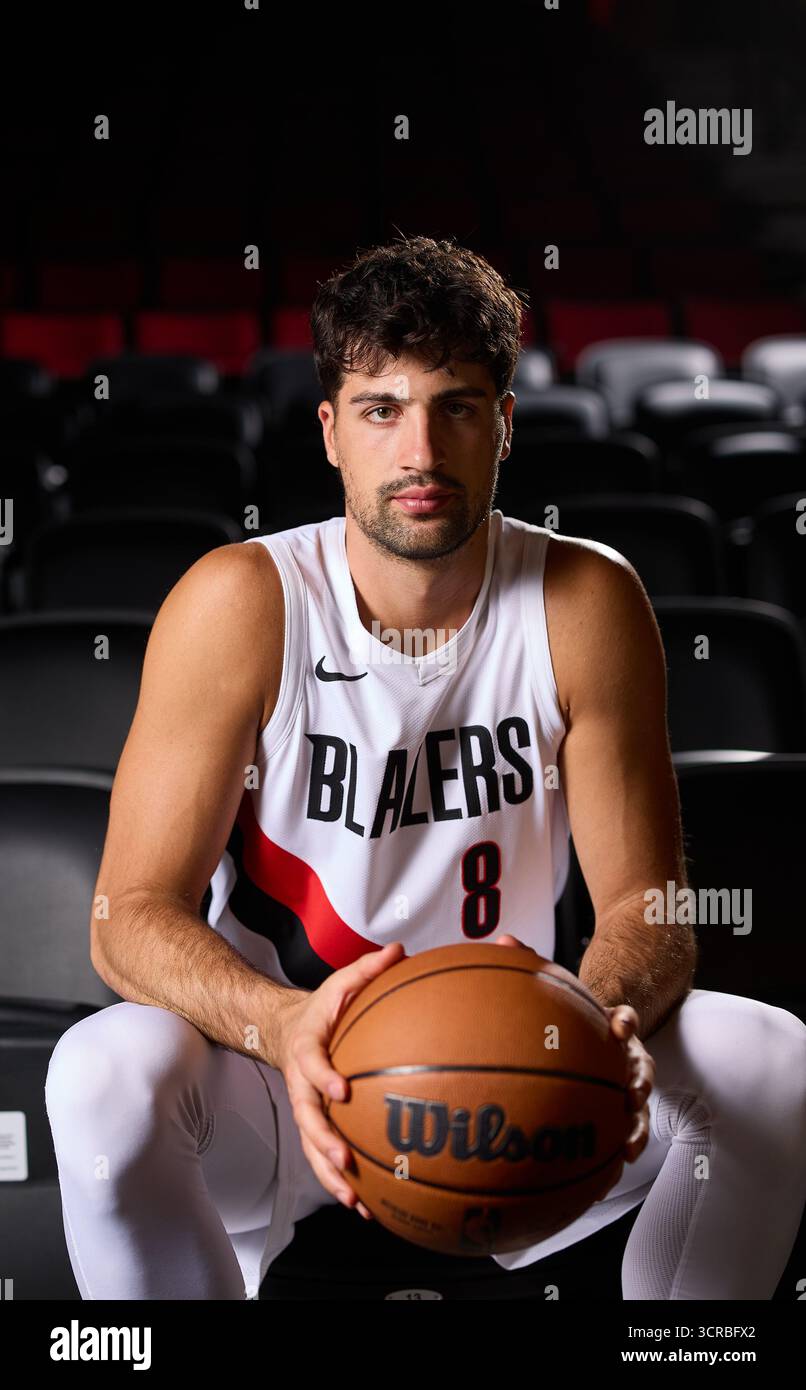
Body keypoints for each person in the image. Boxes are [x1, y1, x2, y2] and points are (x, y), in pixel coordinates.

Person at [45, 236, 806, 1300]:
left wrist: (588, 1027)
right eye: (380, 409)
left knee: (772, 1060)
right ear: (329, 431)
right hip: (277, 1077)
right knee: (101, 1074)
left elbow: (648, 901)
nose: (420, 448)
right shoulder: (240, 601)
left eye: (457, 407)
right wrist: (282, 1024)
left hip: (510, 1064)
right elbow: (127, 915)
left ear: (504, 425)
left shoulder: (583, 599)